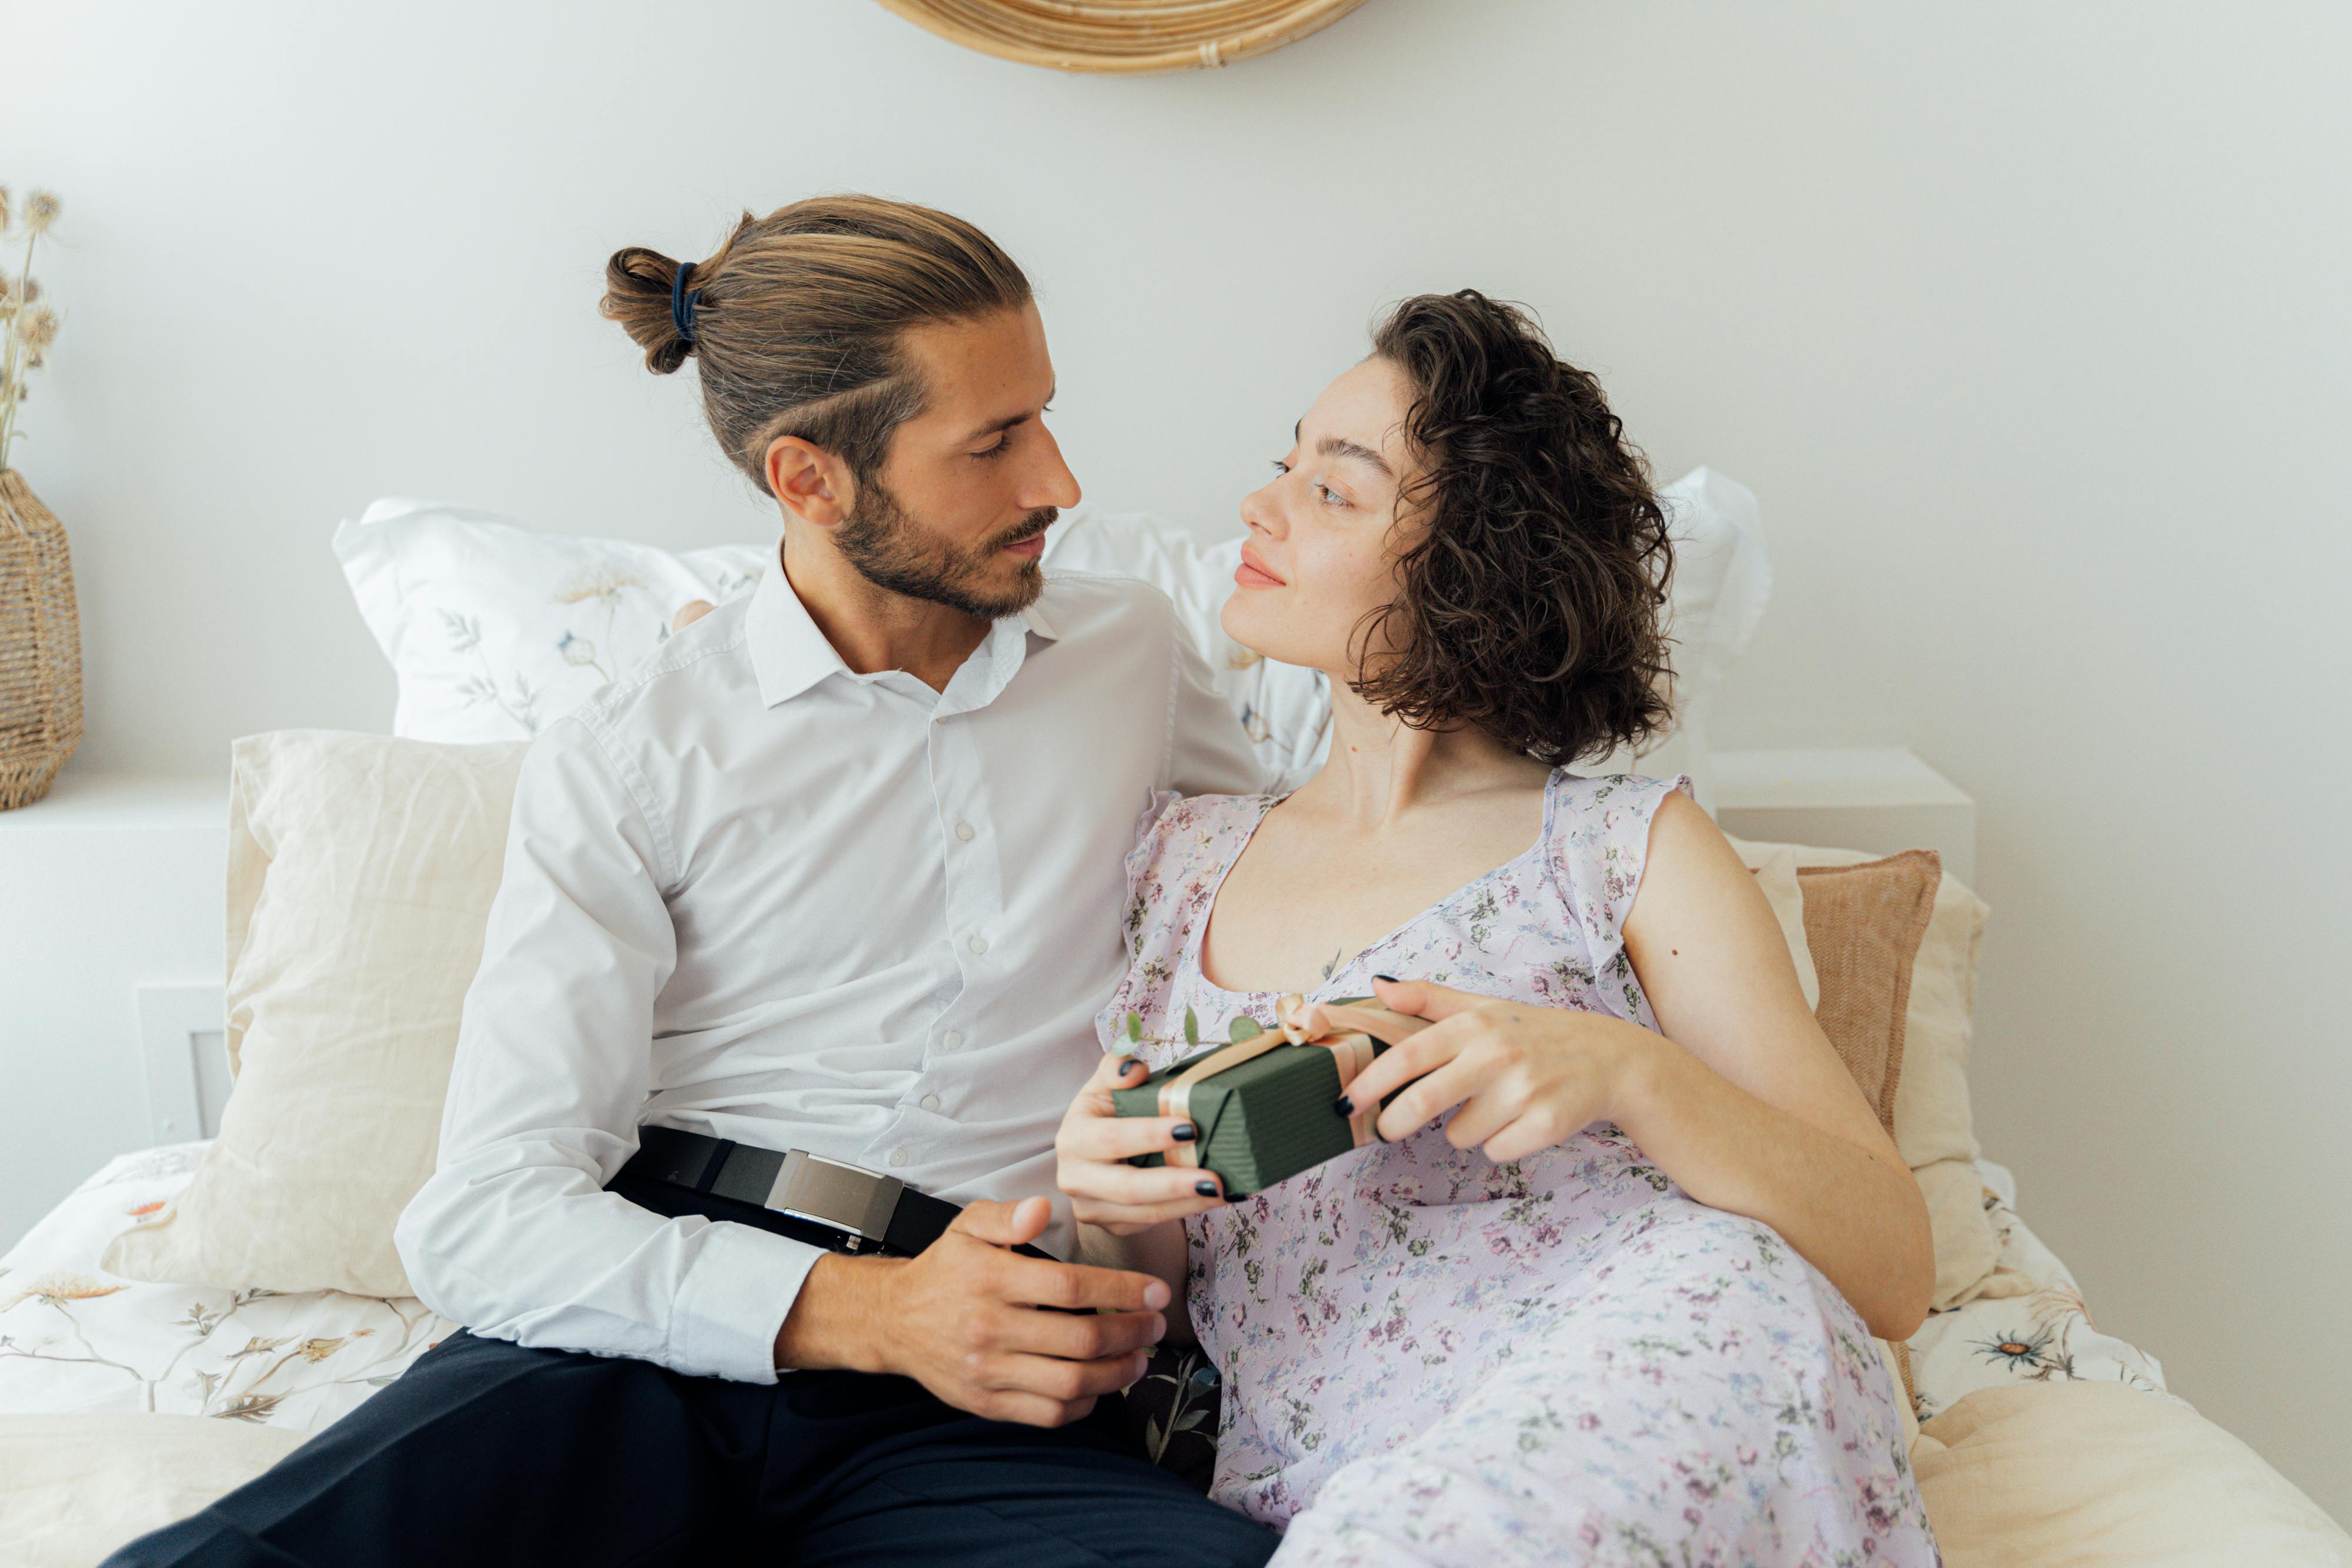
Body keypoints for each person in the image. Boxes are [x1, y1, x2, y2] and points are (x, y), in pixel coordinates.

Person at [105, 196, 1281, 1567]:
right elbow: (483, 1215)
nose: (1058, 483)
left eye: (1043, 415)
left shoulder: (1128, 651)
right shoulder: (631, 753)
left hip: (990, 1383)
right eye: (993, 440)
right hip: (640, 1333)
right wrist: (871, 1310)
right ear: (809, 477)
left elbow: (1289, 899)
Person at [1054, 290, 1942, 1563]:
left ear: (1468, 565)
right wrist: (1111, 1191)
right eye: (1282, 465)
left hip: (1666, 1345)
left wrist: (1621, 1069)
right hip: (1356, 1460)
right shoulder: (1177, 860)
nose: (1259, 507)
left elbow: (1890, 1264)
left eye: (1335, 490)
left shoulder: (1623, 847)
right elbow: (1171, 1303)